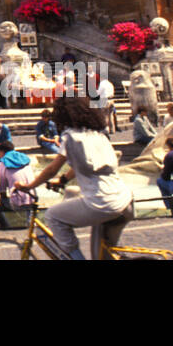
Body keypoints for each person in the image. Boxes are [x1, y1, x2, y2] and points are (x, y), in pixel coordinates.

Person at [15, 97, 133, 260]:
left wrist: (29, 186)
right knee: (100, 255)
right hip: (125, 200)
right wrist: (63, 180)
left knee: (53, 216)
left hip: (102, 202)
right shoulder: (99, 135)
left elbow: (50, 170)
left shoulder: (70, 137)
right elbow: (84, 164)